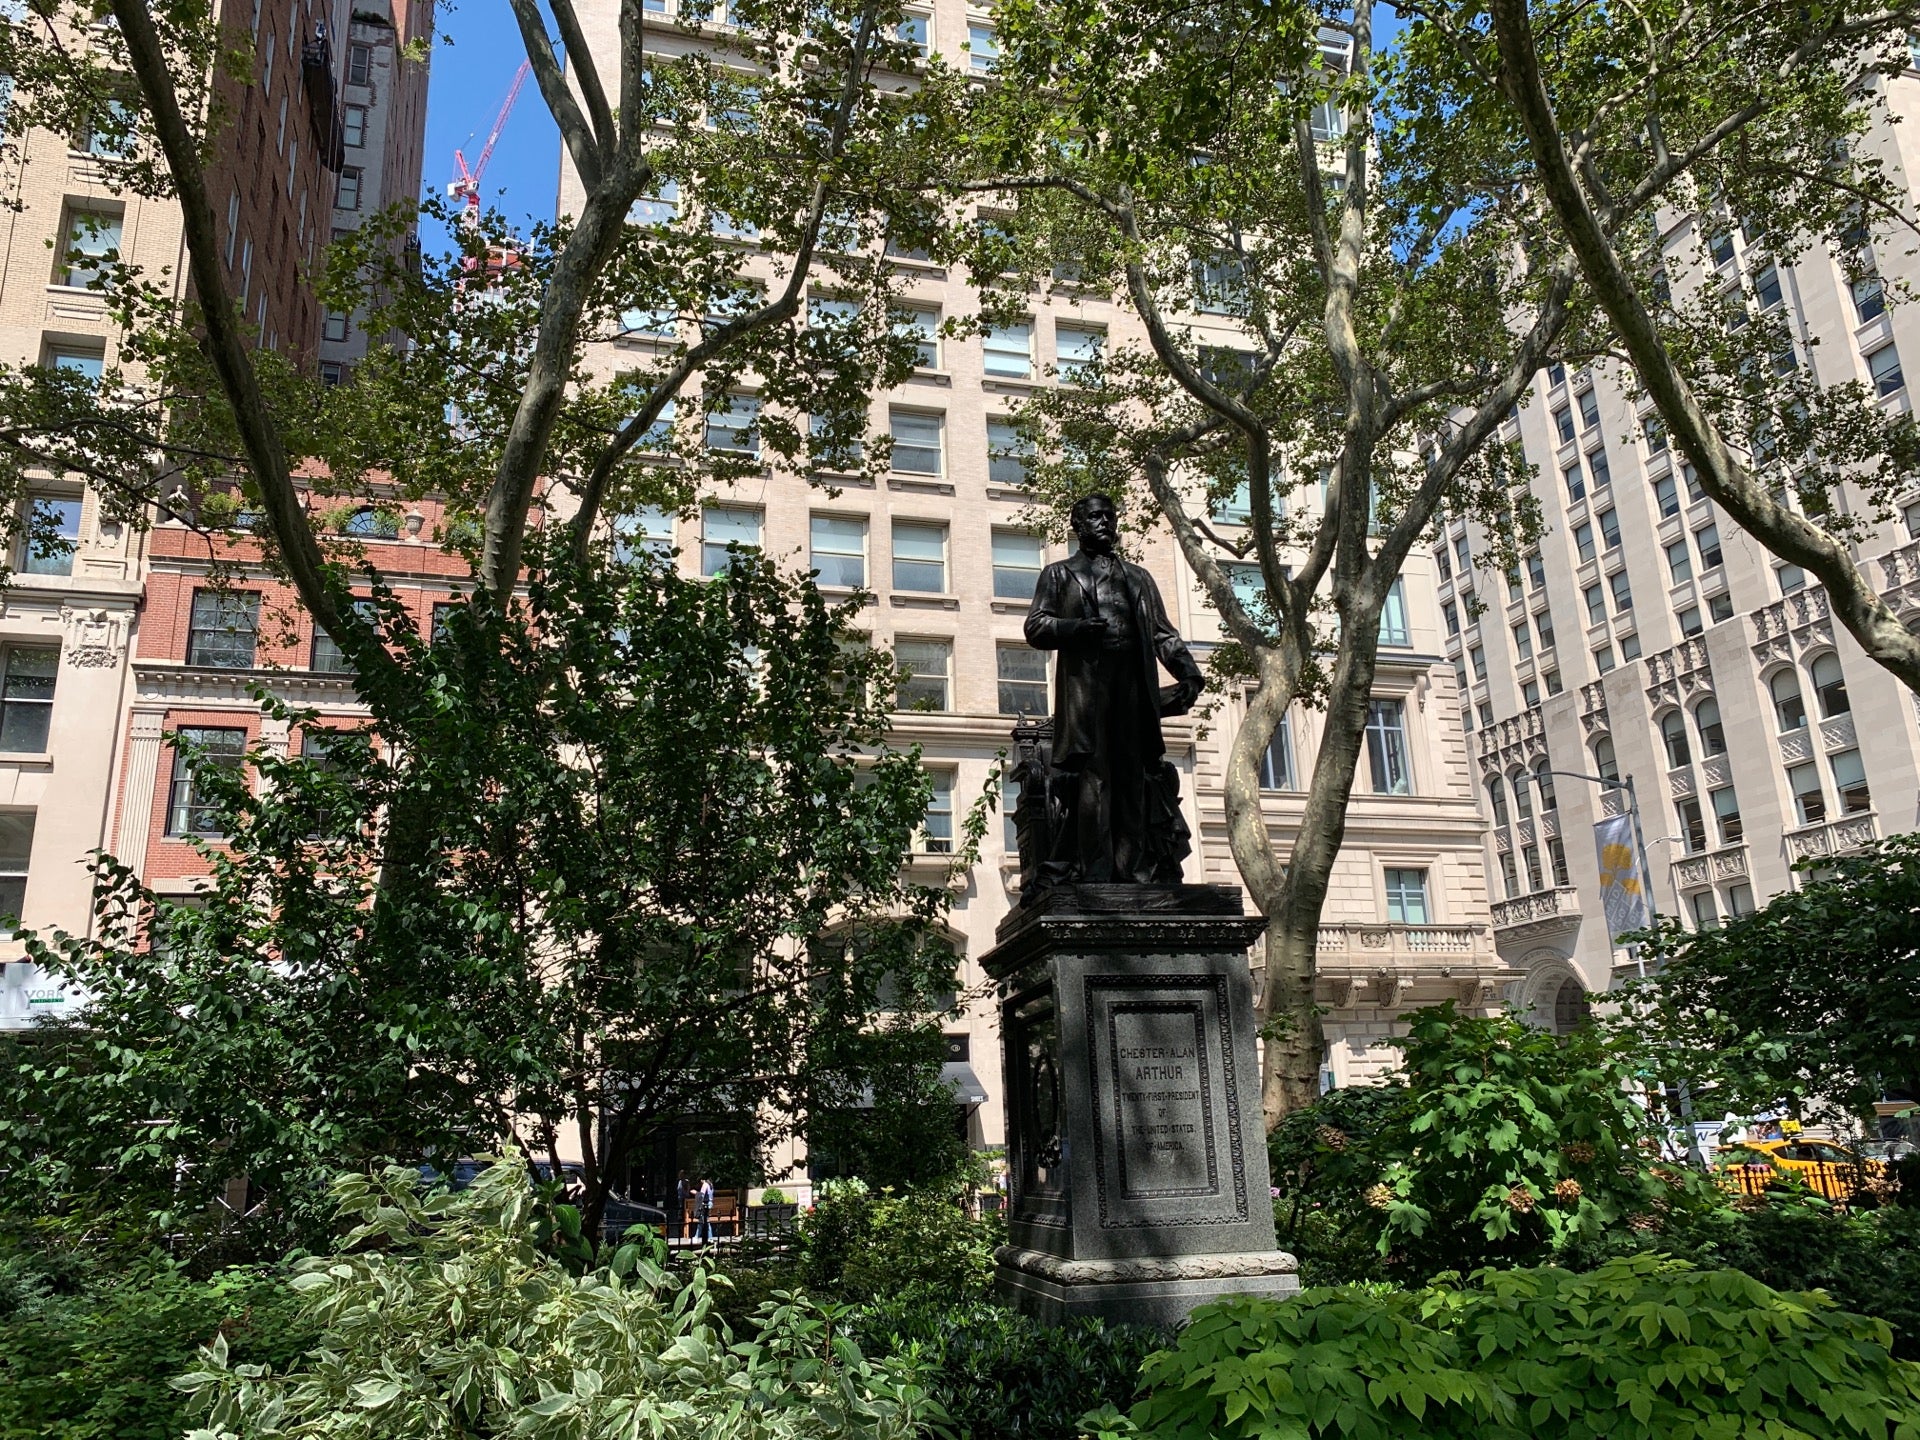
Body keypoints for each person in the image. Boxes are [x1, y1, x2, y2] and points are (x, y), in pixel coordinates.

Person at [1023, 493, 1204, 888]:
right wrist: (1074, 630)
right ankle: (1096, 872)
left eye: (1109, 515)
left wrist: (1189, 674)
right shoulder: (1058, 574)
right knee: (1095, 781)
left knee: (1133, 778)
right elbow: (1035, 627)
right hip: (1087, 694)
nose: (1104, 522)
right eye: (1094, 516)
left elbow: (1162, 633)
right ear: (1078, 525)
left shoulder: (1138, 578)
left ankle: (1136, 871)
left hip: (1132, 689)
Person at [693, 1175, 715, 1244]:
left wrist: (695, 1193)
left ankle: (697, 1237)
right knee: (705, 1221)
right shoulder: (710, 1184)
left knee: (703, 1222)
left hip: (705, 1204)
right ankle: (709, 1237)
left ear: (702, 1180)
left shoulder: (705, 1185)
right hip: (710, 1203)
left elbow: (701, 1195)